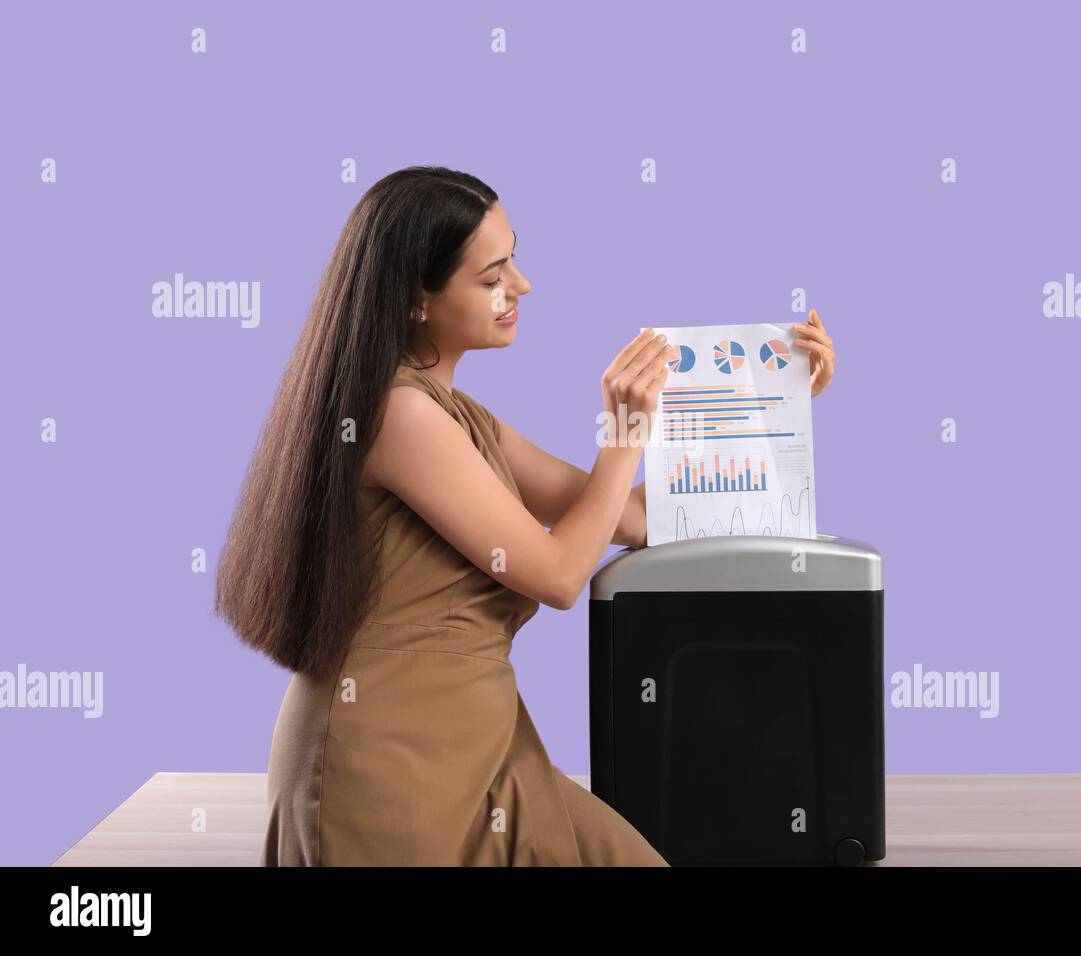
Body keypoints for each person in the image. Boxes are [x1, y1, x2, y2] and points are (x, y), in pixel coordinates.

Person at [213, 165, 835, 866]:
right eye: (493, 275)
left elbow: (628, 520)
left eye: (515, 260)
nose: (523, 286)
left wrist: (773, 407)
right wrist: (625, 434)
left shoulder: (462, 419)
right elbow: (562, 575)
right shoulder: (400, 417)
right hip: (390, 763)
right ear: (417, 297)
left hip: (488, 747)